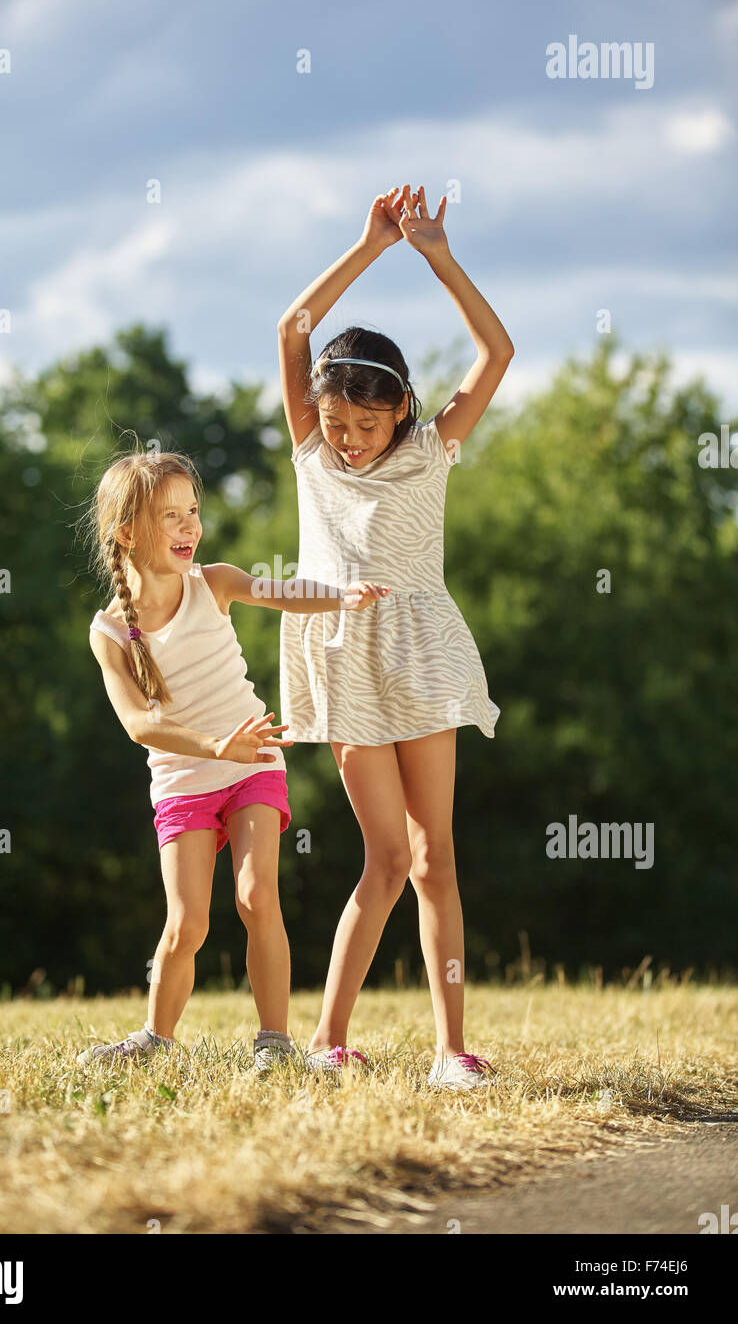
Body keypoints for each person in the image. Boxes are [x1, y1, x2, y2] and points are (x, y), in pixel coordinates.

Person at [277, 183, 514, 1089]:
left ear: (403, 407)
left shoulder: (433, 445)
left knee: (433, 856)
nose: (347, 440)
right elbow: (296, 327)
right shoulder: (311, 446)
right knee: (380, 857)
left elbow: (497, 351)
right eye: (336, 423)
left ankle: (453, 1051)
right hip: (343, 654)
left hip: (423, 651)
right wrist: (369, 243)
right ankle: (328, 1041)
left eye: (366, 425)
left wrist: (435, 254)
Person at [76, 445, 387, 1074]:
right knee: (187, 925)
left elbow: (279, 592)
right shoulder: (109, 631)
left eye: (193, 511)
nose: (190, 526)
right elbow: (142, 724)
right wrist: (214, 746)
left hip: (252, 765)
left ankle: (274, 1041)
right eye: (170, 516)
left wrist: (340, 597)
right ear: (126, 530)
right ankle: (153, 1041)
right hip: (184, 778)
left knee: (255, 897)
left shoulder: (212, 582)